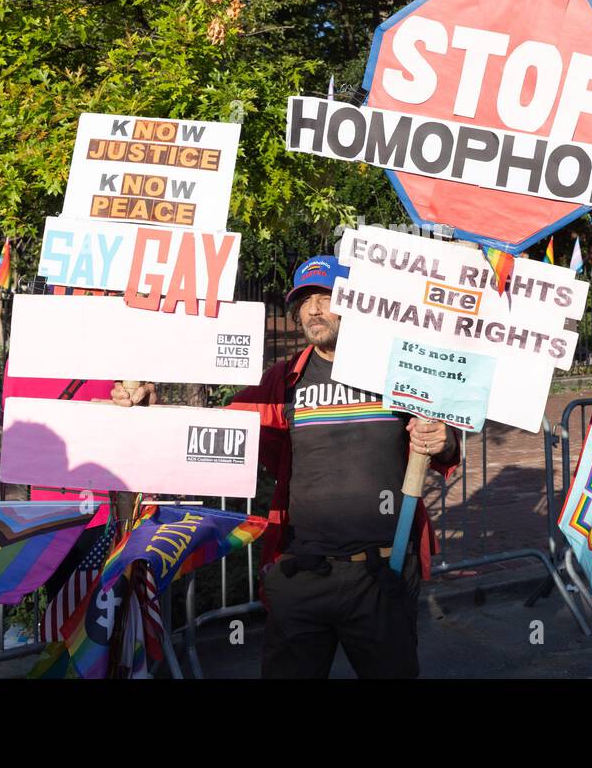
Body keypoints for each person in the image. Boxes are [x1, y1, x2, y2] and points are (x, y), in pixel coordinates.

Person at [113, 255, 458, 678]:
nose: (313, 308)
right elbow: (222, 427)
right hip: (301, 572)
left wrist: (443, 439)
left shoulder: (397, 373)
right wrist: (156, 407)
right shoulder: (284, 380)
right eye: (304, 299)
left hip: (382, 572)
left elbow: (443, 438)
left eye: (326, 296)